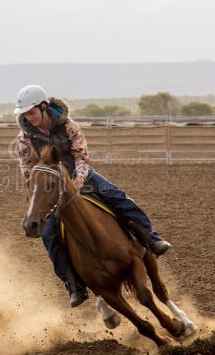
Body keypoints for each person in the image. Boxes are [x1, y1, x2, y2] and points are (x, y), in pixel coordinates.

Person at [14, 84, 172, 308]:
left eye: (32, 113)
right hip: (50, 188)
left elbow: (81, 157)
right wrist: (35, 189)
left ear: (43, 106)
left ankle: (152, 238)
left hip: (81, 177)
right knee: (50, 235)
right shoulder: (24, 138)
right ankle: (74, 286)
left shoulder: (68, 125)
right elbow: (26, 168)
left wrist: (76, 184)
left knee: (119, 198)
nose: (29, 118)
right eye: (25, 115)